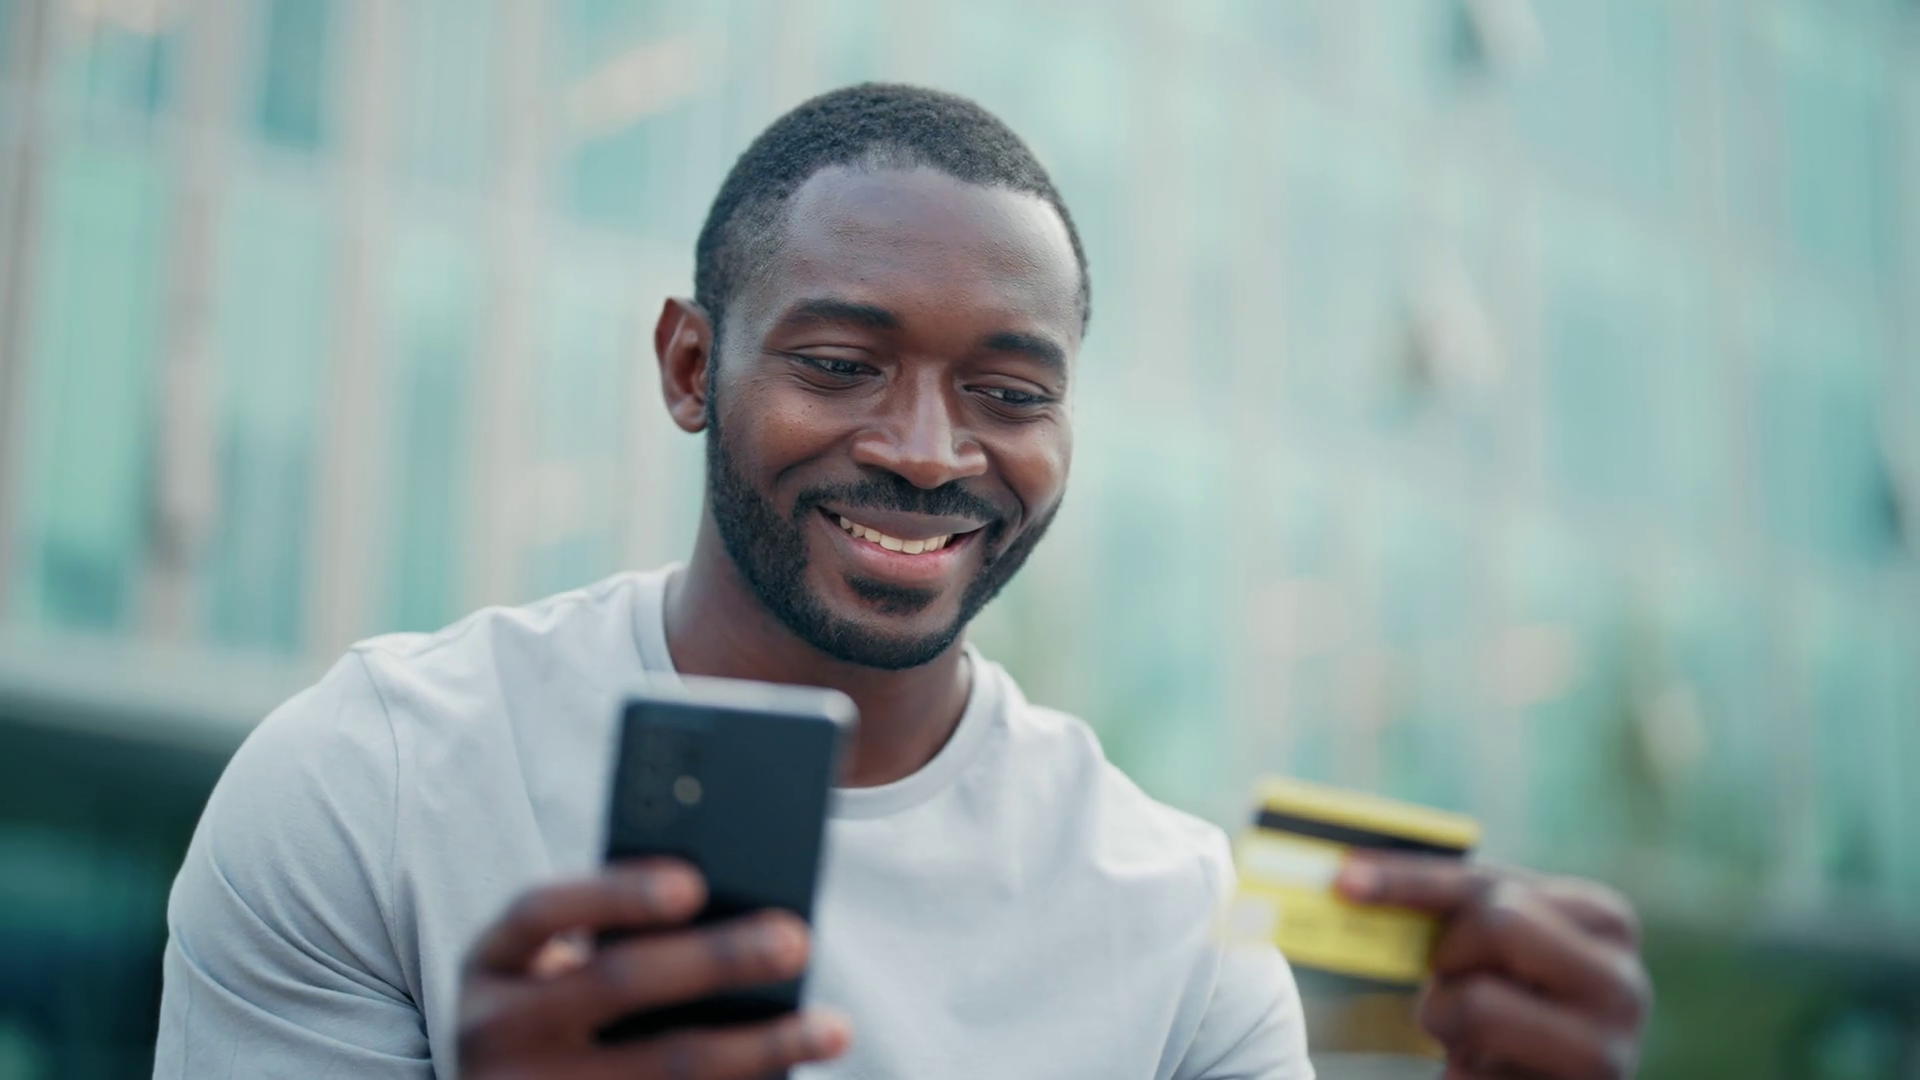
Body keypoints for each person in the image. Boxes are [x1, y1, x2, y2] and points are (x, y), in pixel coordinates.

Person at [154, 84, 1650, 1080]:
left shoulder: (1182, 927)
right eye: (838, 365)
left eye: (1011, 390)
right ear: (691, 364)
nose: (932, 453)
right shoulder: (377, 780)